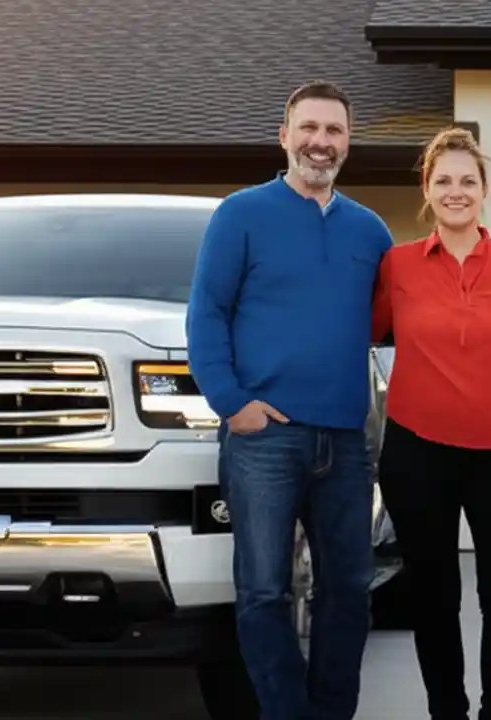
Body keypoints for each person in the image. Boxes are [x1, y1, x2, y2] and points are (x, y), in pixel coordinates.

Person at [186, 80, 394, 720]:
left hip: (346, 442)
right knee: (263, 591)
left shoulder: (371, 231)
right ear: (284, 136)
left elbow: (394, 325)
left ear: (348, 143)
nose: (320, 142)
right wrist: (231, 403)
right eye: (309, 128)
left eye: (333, 131)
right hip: (263, 439)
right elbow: (206, 315)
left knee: (350, 591)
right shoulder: (241, 215)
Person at [370, 127, 491, 720]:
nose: (456, 191)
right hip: (415, 453)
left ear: (483, 192)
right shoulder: (398, 265)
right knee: (433, 598)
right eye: (443, 181)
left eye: (468, 181)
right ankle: (447, 713)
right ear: (427, 192)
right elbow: (354, 333)